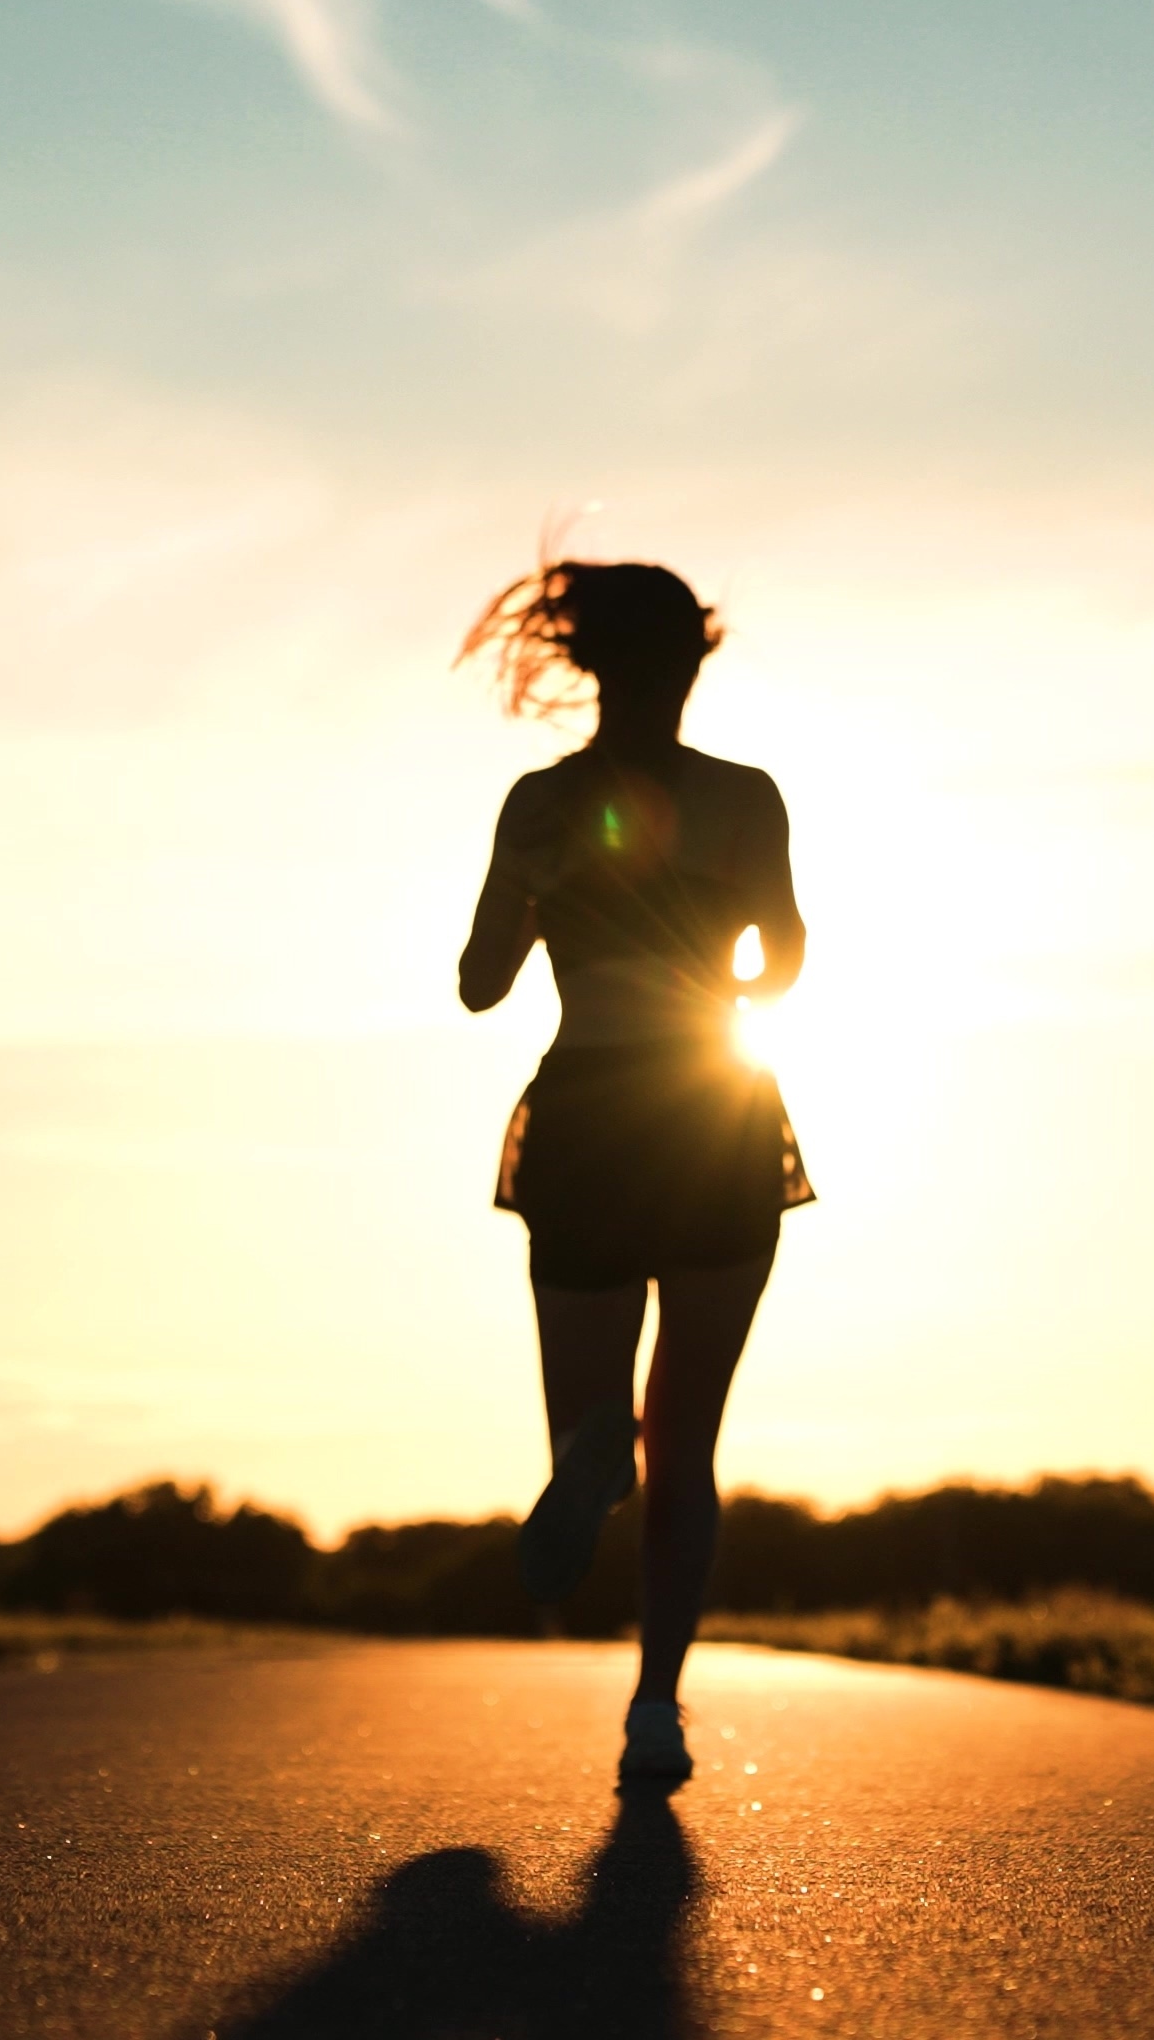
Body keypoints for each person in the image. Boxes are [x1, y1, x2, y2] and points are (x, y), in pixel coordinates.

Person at [455, 559, 812, 1792]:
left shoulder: (542, 806)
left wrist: (543, 899)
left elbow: (481, 983)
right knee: (691, 1442)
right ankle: (656, 1707)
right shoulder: (745, 799)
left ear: (588, 662)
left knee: (590, 1426)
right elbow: (788, 955)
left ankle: (590, 1457)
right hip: (713, 1110)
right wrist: (728, 983)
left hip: (592, 1112)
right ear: (695, 662)